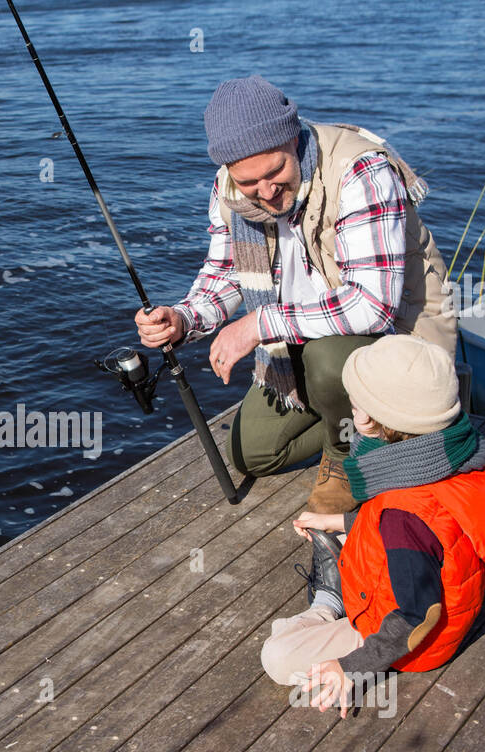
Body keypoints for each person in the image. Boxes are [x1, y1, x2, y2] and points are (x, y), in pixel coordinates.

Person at [134, 76, 457, 513]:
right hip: (300, 336)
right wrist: (184, 319)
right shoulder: (230, 190)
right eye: (250, 181)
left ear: (294, 137)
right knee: (253, 453)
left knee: (328, 360)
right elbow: (225, 272)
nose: (266, 192)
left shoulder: (360, 170)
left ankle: (348, 459)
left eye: (275, 172)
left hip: (397, 339)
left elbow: (372, 307)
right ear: (229, 170)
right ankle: (360, 430)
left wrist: (258, 324)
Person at [258, 335, 485, 717]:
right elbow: (435, 530)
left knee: (277, 654)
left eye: (354, 403)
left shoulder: (403, 515)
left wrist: (352, 669)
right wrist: (341, 521)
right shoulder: (453, 457)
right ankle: (333, 594)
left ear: (366, 419)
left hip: (413, 639)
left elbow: (417, 615)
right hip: (431, 579)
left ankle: (328, 603)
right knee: (346, 538)